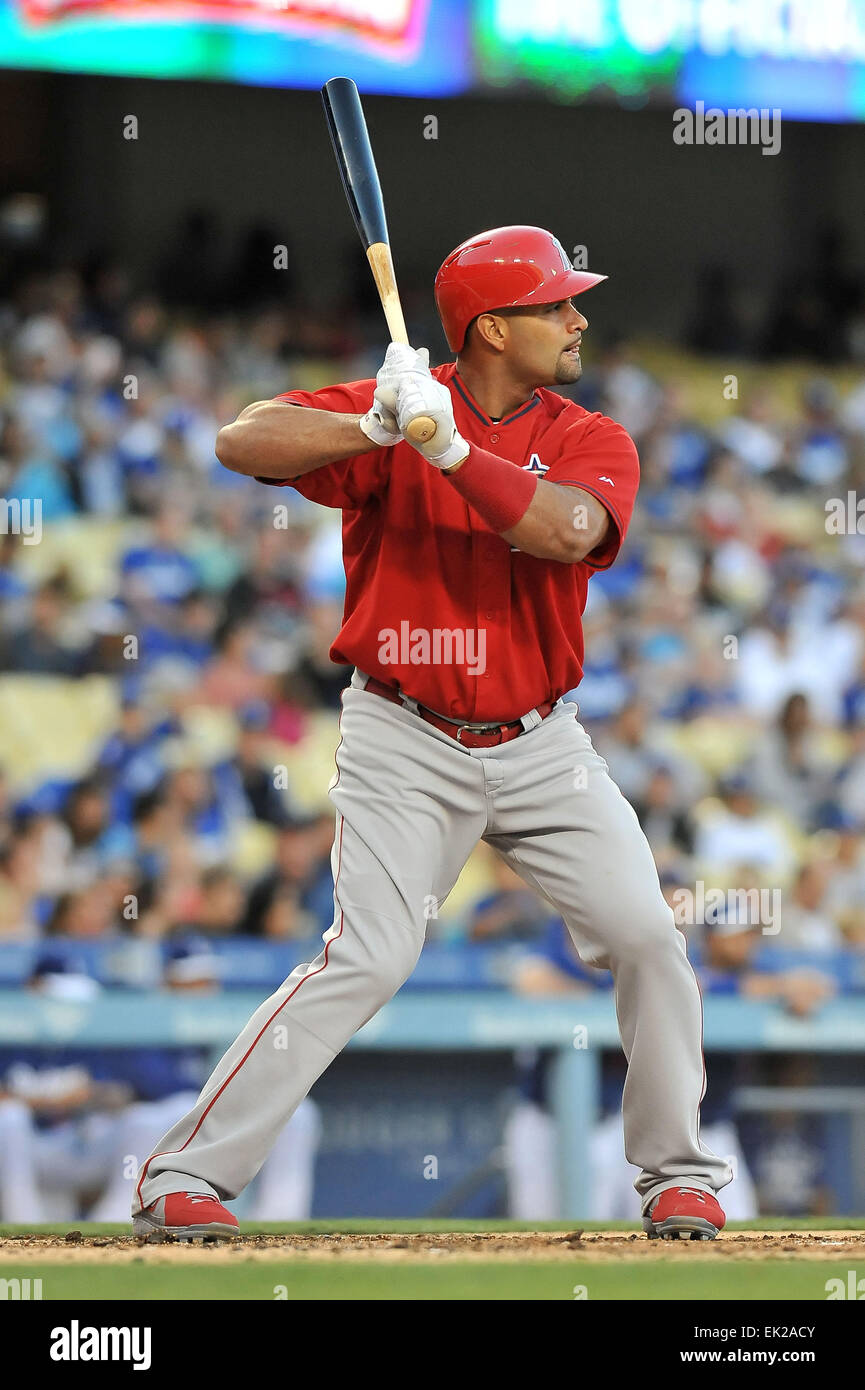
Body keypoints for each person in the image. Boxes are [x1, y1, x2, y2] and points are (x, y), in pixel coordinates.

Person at [132, 224, 732, 1242]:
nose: (577, 318)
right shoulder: (397, 407)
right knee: (366, 956)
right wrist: (372, 428)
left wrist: (447, 449)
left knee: (646, 936)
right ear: (493, 326)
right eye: (554, 305)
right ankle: (183, 1174)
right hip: (404, 731)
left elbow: (567, 531)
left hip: (542, 741)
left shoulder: (588, 434)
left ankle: (677, 1175)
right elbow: (240, 440)